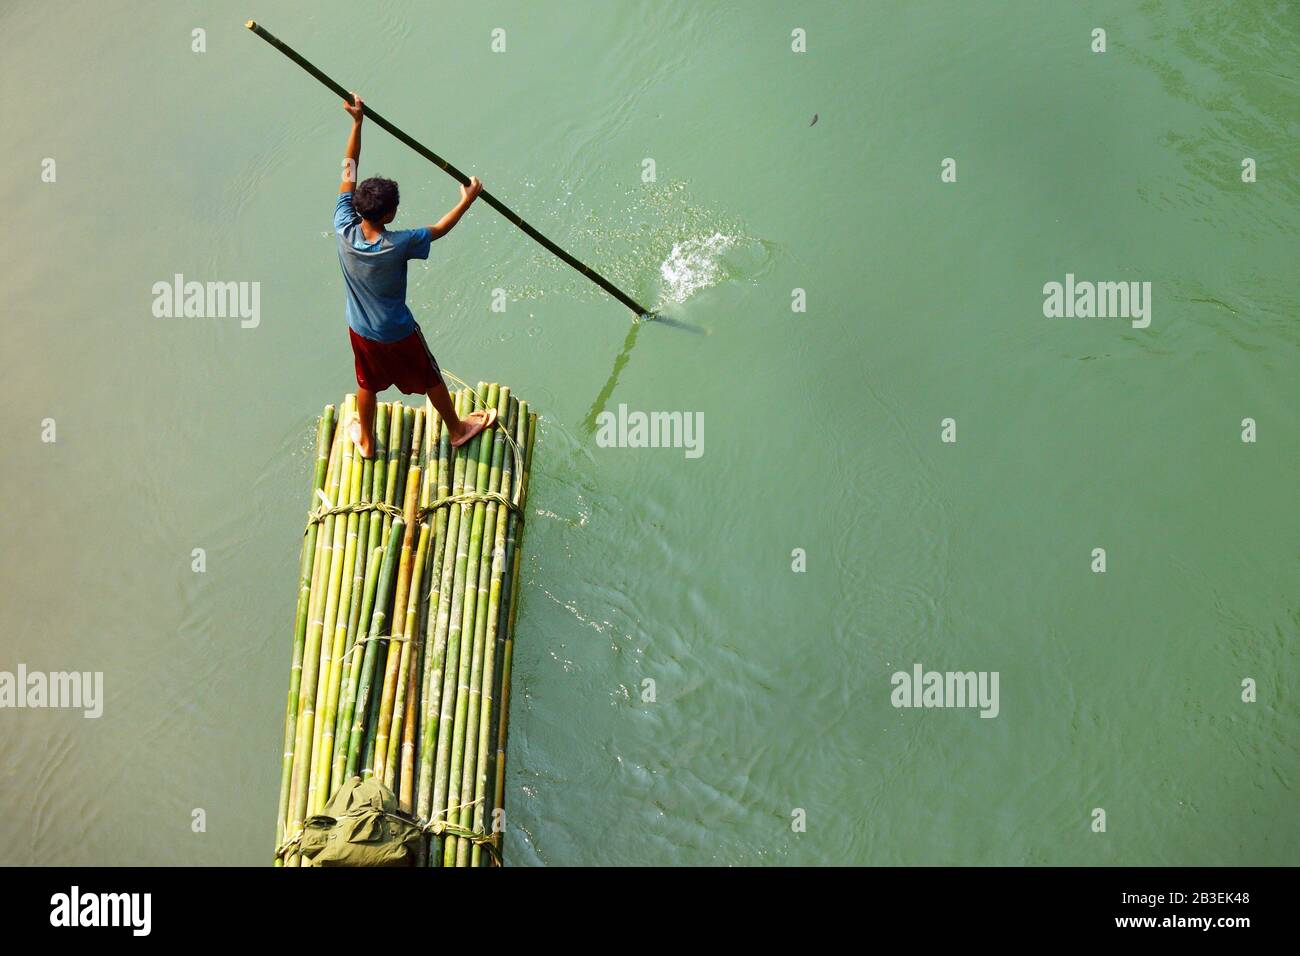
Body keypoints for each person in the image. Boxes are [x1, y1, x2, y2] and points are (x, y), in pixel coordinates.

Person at [334, 93, 495, 458]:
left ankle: (366, 440)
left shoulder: (343, 225)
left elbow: (348, 168)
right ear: (389, 215)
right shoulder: (399, 244)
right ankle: (457, 429)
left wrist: (357, 123)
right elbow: (439, 228)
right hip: (397, 331)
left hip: (359, 328)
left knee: (367, 381)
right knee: (429, 376)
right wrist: (467, 199)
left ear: (358, 205)